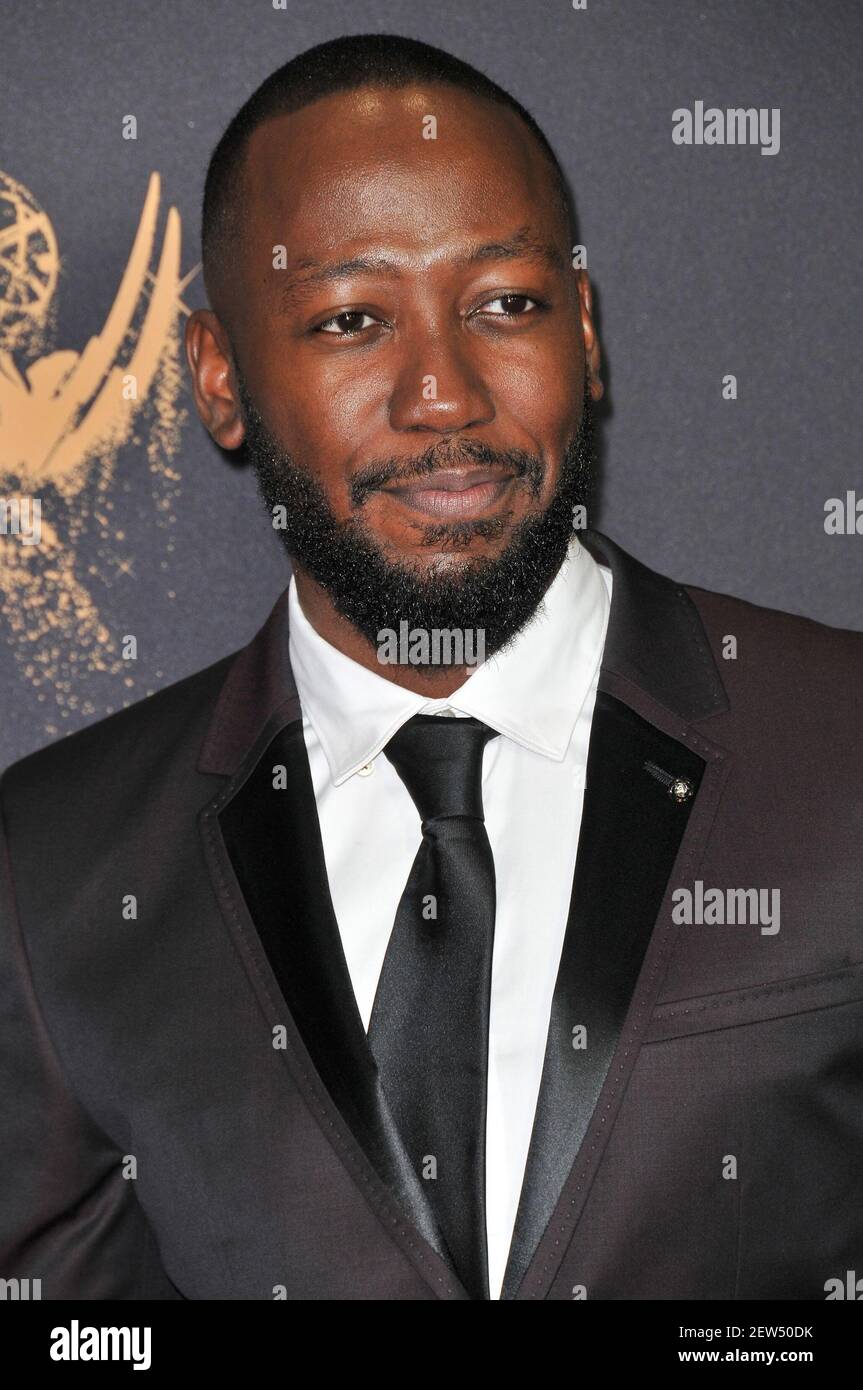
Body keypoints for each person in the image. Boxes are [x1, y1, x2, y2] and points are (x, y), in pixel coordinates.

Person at [1, 32, 860, 1302]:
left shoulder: (837, 745)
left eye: (505, 302)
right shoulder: (52, 866)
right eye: (352, 319)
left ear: (584, 328)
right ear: (220, 377)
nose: (444, 393)